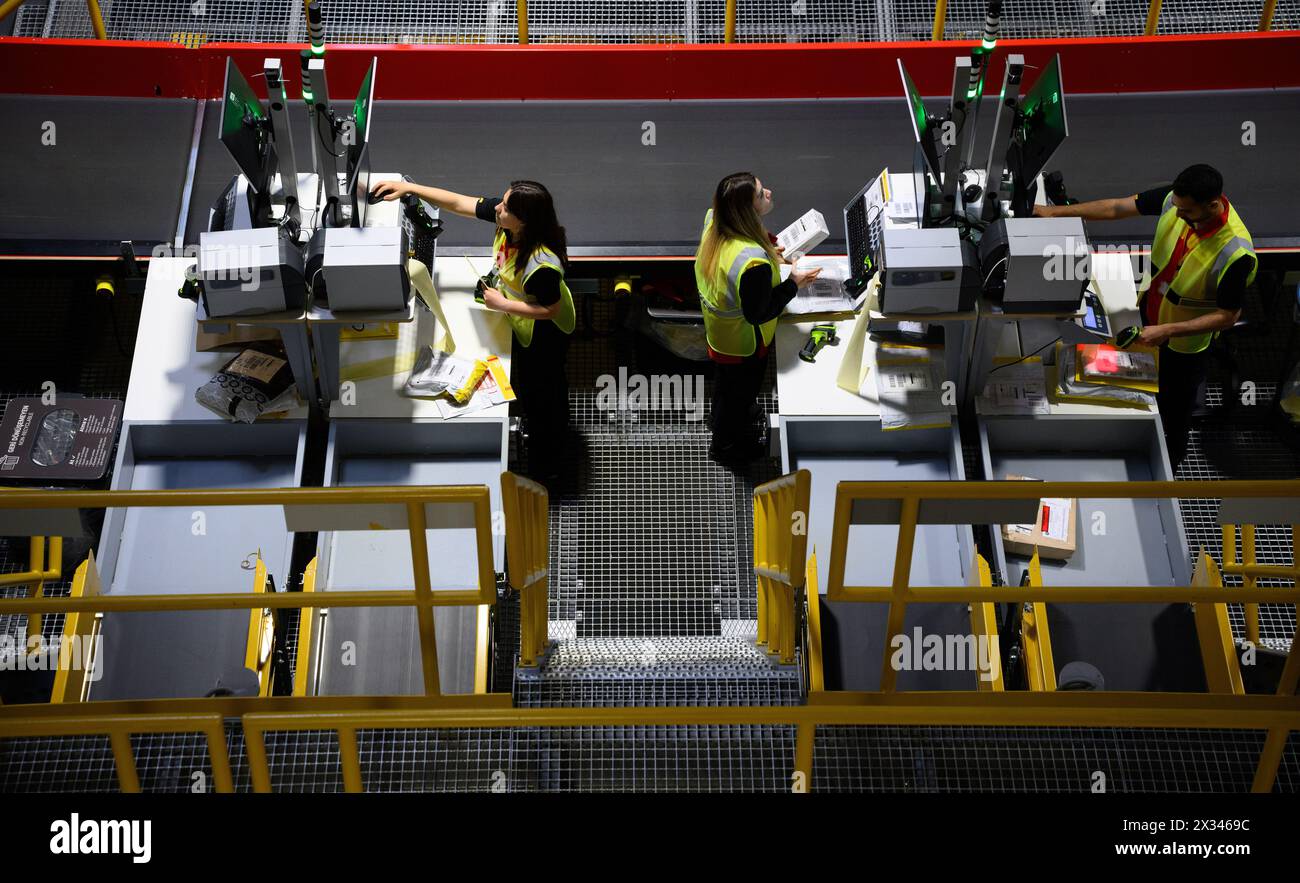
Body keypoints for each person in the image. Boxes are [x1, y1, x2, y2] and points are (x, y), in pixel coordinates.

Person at [1034, 164, 1256, 470]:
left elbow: (1228, 316)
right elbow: (1117, 207)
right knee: (1139, 392)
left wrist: (1167, 330)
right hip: (1149, 315)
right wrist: (1054, 212)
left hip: (1184, 349)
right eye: (1177, 206)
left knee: (1173, 415)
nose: (1177, 215)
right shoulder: (1174, 200)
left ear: (1213, 205)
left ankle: (1169, 470)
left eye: (1186, 211)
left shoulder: (1235, 253)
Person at [372, 178, 575, 482]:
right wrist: (411, 190)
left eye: (505, 207)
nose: (498, 208)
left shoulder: (541, 266)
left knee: (543, 390)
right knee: (530, 385)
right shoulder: (513, 224)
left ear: (523, 220)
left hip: (545, 333)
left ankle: (551, 457)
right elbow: (459, 202)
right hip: (519, 315)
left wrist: (501, 303)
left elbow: (551, 310)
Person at [695, 172, 821, 465]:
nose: (769, 193)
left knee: (728, 388)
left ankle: (724, 418)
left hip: (720, 335)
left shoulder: (715, 220)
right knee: (738, 392)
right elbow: (759, 313)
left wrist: (770, 250)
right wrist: (794, 284)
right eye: (761, 193)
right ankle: (725, 447)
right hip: (744, 345)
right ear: (747, 210)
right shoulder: (752, 264)